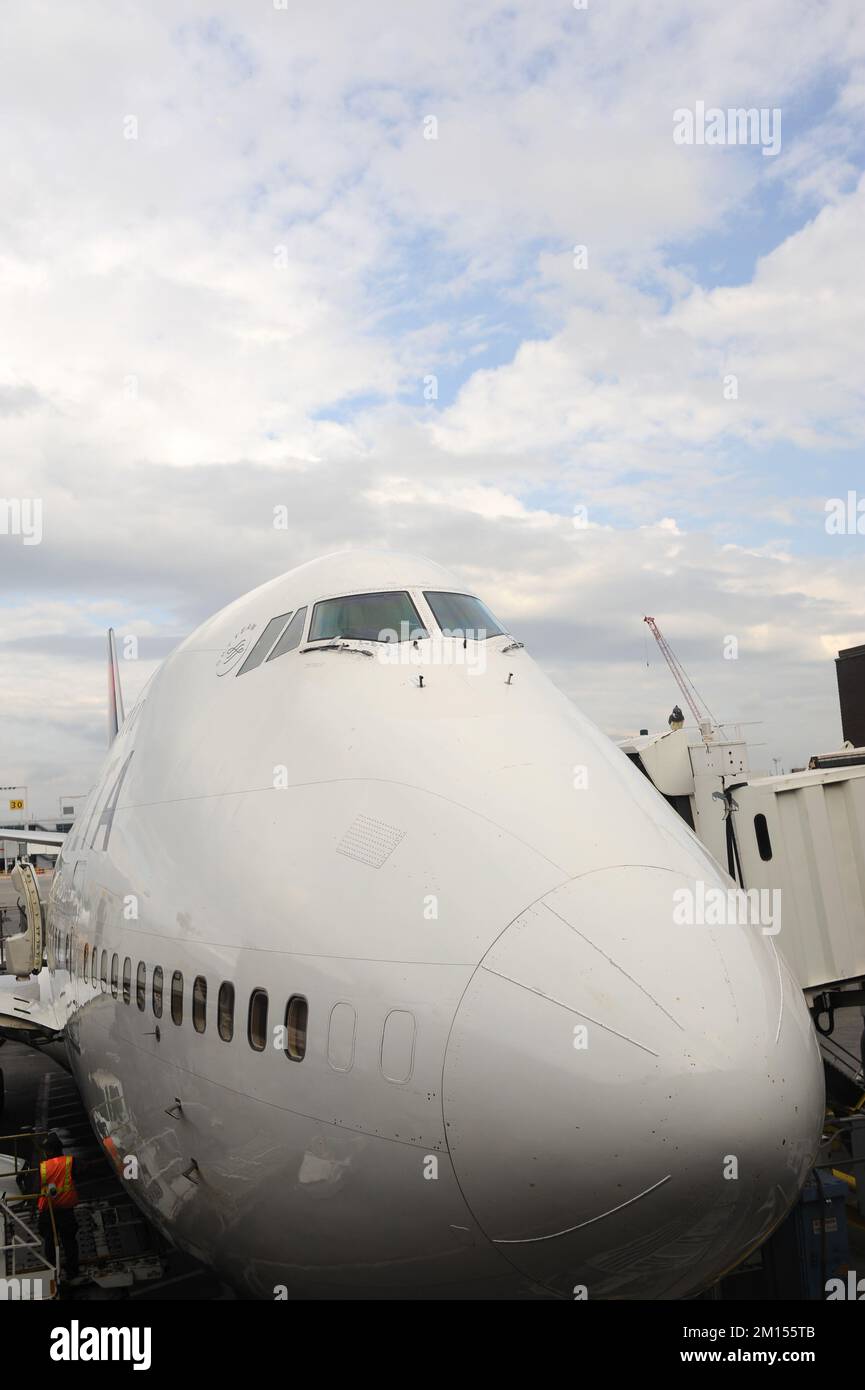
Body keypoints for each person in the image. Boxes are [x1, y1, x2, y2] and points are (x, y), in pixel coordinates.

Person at [37, 1132, 80, 1281]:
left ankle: (54, 1272)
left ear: (48, 1151)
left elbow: (37, 1189)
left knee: (49, 1241)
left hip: (48, 1210)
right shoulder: (70, 1162)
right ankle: (73, 1270)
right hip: (66, 1210)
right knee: (69, 1240)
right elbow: (81, 1171)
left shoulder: (43, 1167)